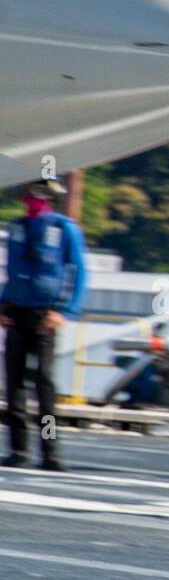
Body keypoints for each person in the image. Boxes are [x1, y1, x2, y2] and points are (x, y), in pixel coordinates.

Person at [1, 178, 86, 471]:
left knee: (44, 384)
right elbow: (12, 271)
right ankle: (19, 450)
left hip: (44, 316)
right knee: (14, 384)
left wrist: (65, 310)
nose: (32, 199)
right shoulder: (18, 228)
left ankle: (50, 453)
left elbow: (79, 272)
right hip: (16, 311)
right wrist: (3, 305)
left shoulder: (64, 229)